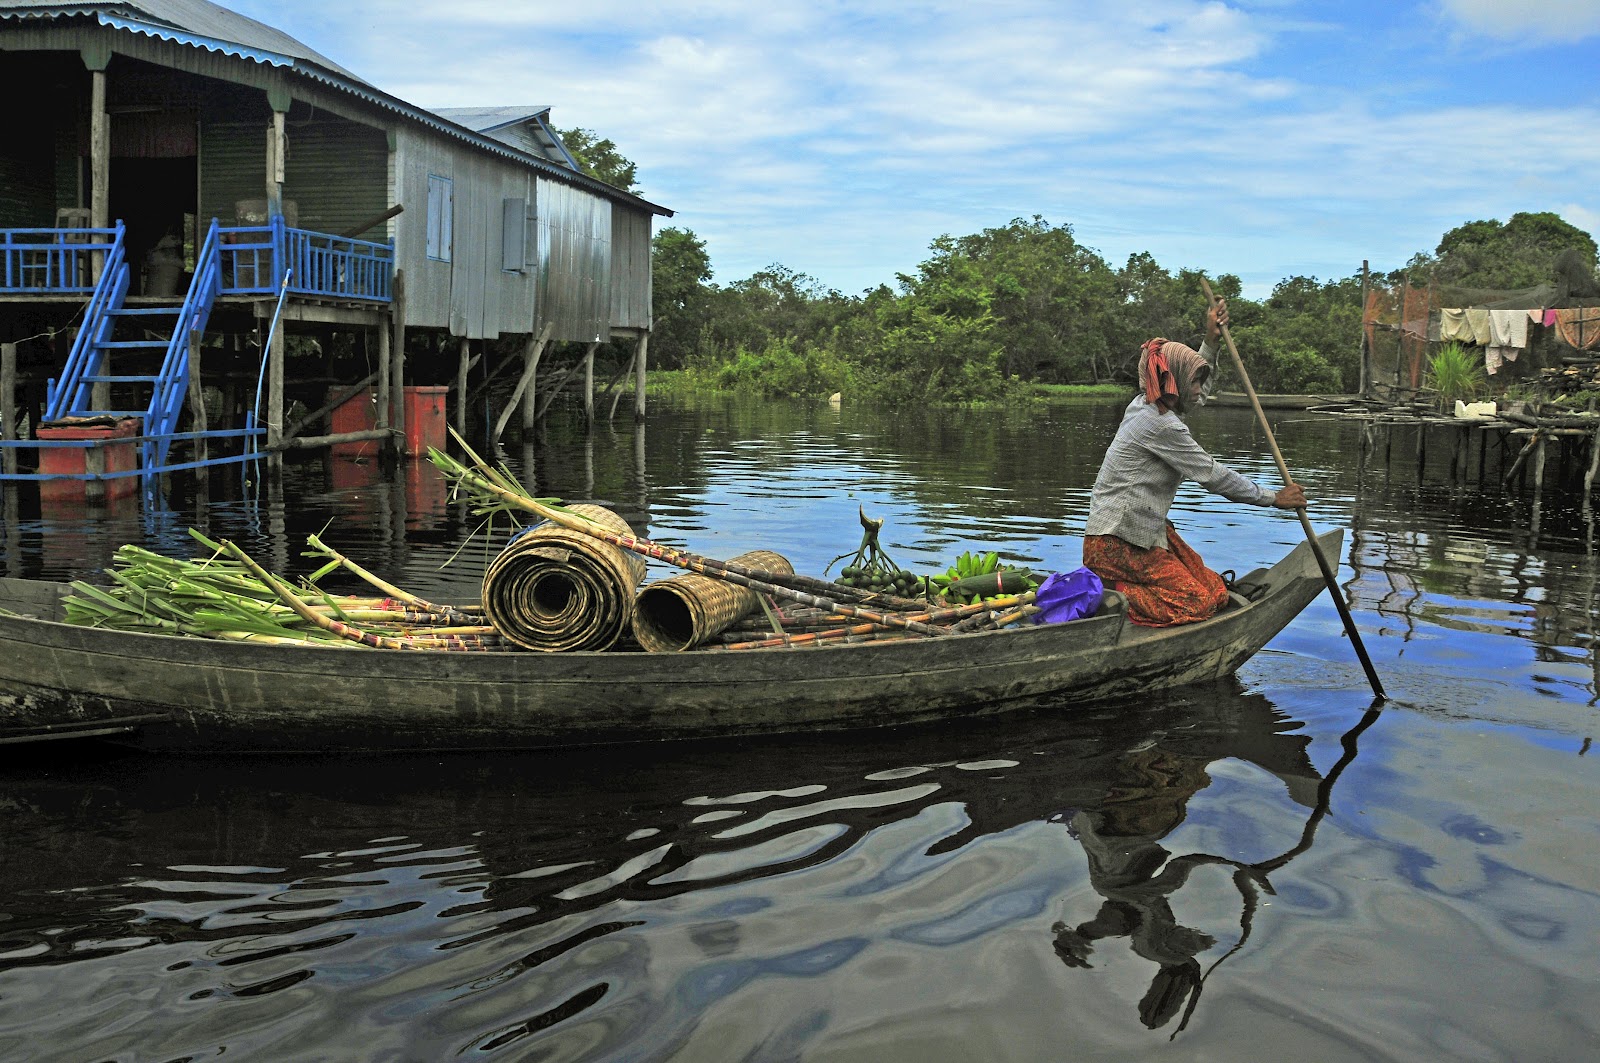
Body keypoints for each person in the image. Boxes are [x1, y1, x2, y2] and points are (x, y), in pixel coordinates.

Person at [1083, 299, 1306, 627]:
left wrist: (1211, 340)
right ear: (1173, 383)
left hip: (1142, 534)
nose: (1200, 390)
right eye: (1194, 381)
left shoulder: (1145, 403)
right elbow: (1214, 476)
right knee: (1198, 603)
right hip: (1116, 544)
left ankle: (1127, 588)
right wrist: (1273, 498)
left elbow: (1194, 394)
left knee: (1216, 591)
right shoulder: (1159, 424)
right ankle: (1113, 592)